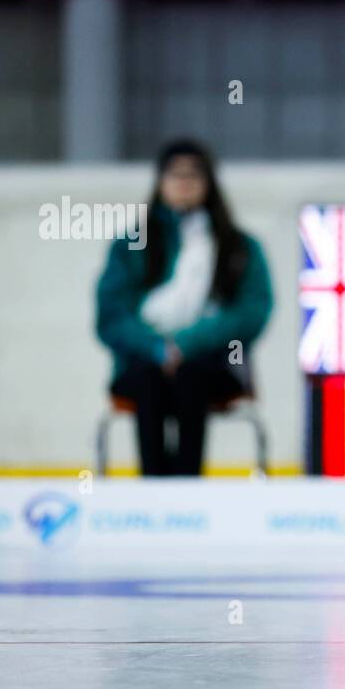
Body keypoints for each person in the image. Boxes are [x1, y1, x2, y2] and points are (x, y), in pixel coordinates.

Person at [95, 139, 273, 476]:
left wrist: (186, 345)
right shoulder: (131, 246)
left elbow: (251, 312)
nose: (184, 183)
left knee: (192, 377)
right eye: (175, 175)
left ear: (209, 184)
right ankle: (154, 489)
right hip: (142, 364)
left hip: (214, 365)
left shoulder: (239, 248)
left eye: (194, 175)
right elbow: (112, 316)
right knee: (150, 381)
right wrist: (157, 348)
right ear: (160, 182)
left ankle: (187, 492)